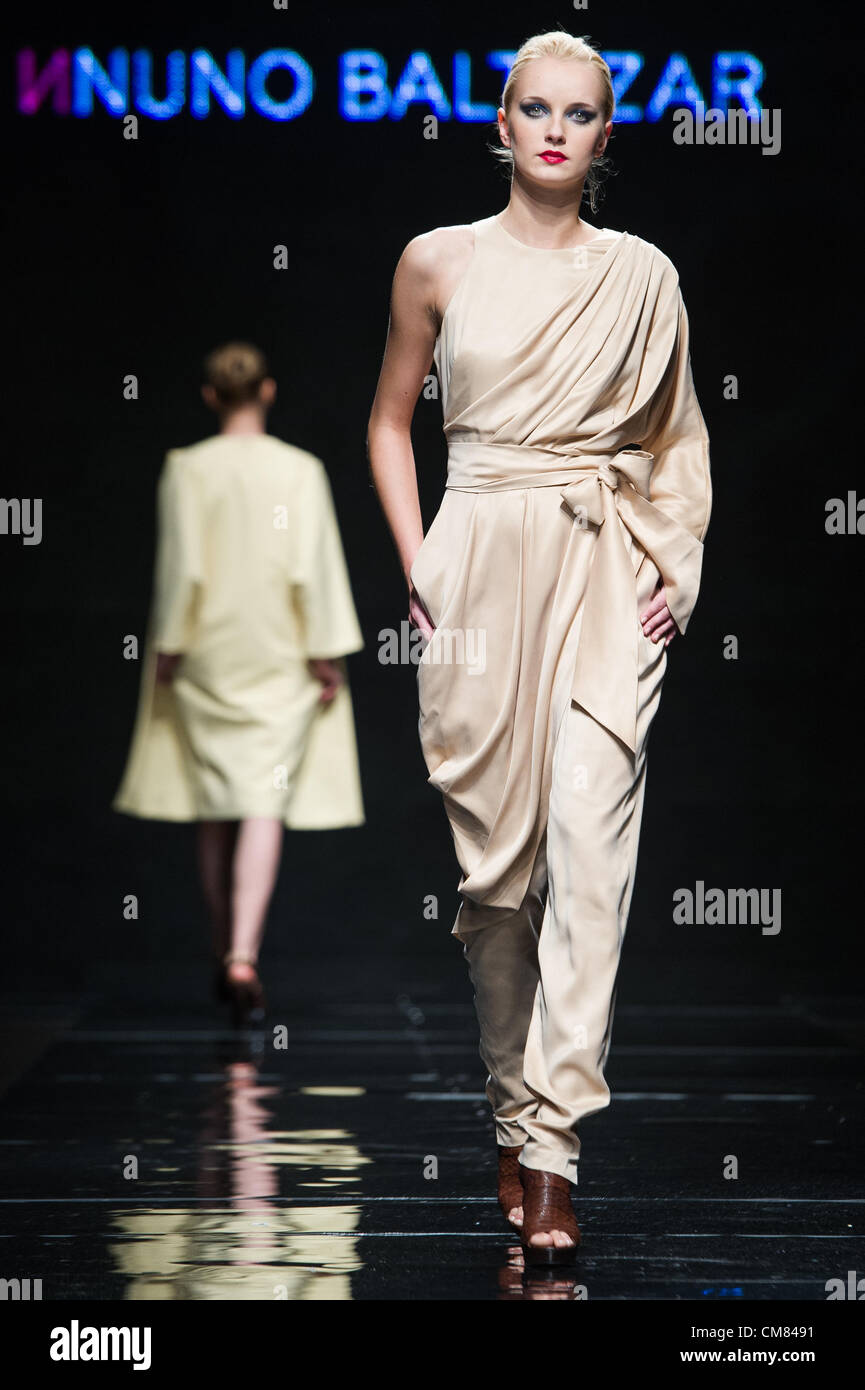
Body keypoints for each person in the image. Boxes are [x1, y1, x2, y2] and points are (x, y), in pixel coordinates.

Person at [367, 31, 711, 1266]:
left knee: (591, 856)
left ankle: (556, 1148)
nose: (555, 127)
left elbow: (674, 442)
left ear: (605, 137)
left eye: (580, 112)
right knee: (495, 884)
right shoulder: (437, 263)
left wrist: (668, 569)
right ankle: (511, 1110)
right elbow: (388, 420)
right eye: (534, 106)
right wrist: (421, 564)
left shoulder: (644, 277)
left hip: (603, 567)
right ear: (499, 122)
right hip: (478, 568)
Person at [113, 342, 365, 1025]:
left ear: (208, 396)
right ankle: (242, 955)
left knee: (216, 803)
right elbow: (311, 566)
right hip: (277, 649)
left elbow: (183, 567)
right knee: (262, 799)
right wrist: (323, 652)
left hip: (209, 652)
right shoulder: (300, 471)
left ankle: (224, 946)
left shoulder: (187, 469)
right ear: (269, 391)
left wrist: (167, 645)